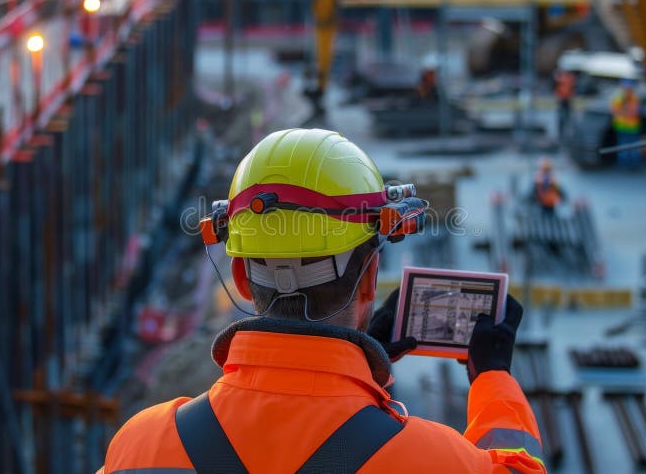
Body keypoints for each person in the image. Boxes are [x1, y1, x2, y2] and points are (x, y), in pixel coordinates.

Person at [98, 129, 545, 473]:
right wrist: (492, 379)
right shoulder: (434, 459)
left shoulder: (140, 447)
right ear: (369, 280)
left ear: (242, 278)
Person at [610, 79, 641, 169]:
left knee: (623, 146)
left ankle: (624, 165)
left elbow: (614, 111)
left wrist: (622, 112)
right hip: (631, 126)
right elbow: (635, 112)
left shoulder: (618, 97)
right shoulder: (634, 98)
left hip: (623, 126)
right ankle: (633, 165)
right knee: (633, 146)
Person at [554, 70, 576, 138]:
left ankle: (564, 132)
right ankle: (562, 132)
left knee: (565, 116)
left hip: (566, 99)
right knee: (563, 116)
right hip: (563, 99)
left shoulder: (567, 78)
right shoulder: (565, 78)